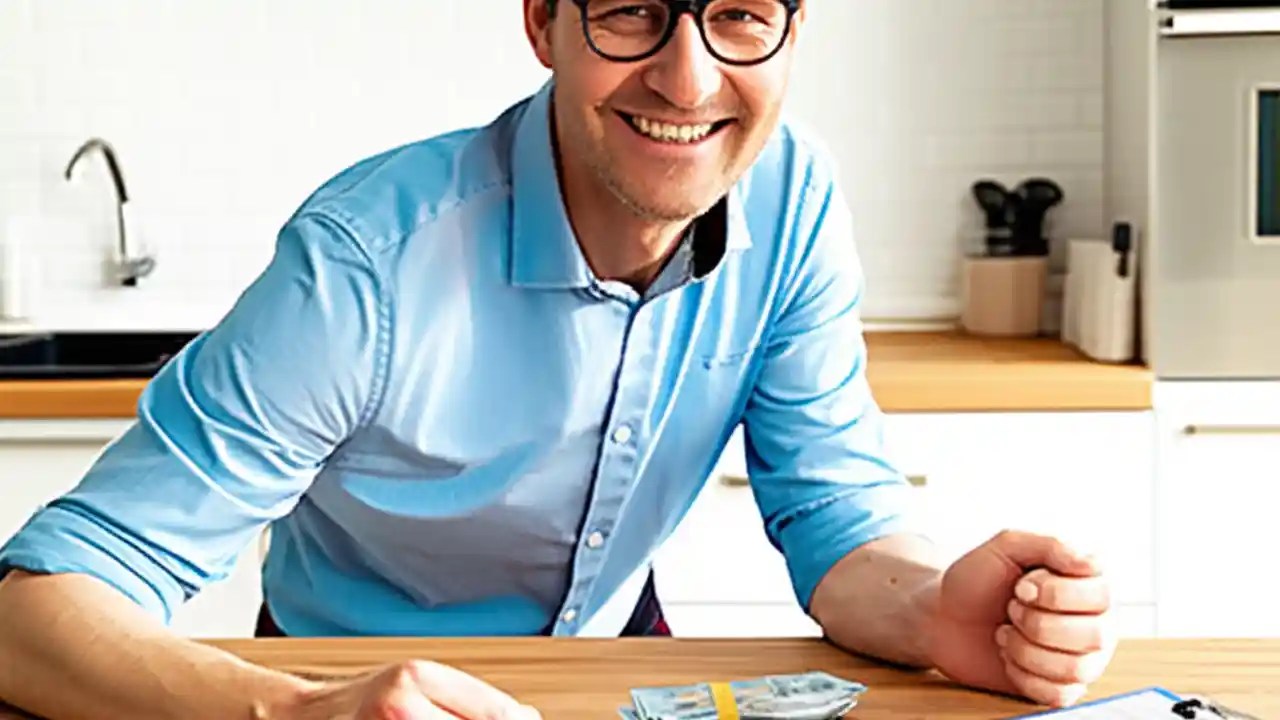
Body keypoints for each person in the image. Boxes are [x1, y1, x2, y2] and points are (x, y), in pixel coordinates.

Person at [0, 1, 1117, 718]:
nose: (688, 83)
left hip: (619, 667)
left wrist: (934, 612)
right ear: (544, 23)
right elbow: (30, 613)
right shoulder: (362, 262)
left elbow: (833, 511)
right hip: (350, 687)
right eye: (632, 12)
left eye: (738, 15)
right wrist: (299, 712)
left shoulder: (793, 199)